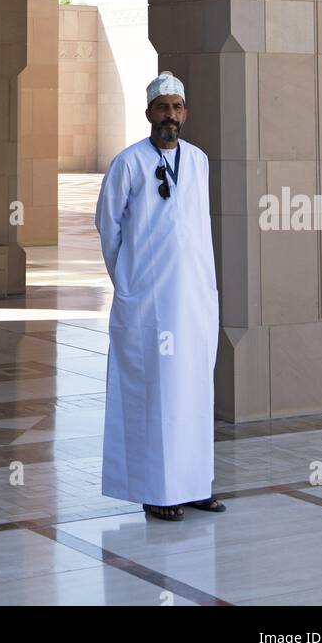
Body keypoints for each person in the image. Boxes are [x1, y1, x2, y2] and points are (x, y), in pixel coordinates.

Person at [95, 71, 224, 521]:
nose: (170, 115)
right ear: (149, 112)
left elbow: (198, 230)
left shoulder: (200, 161)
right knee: (156, 396)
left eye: (177, 107)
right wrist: (129, 281)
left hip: (192, 302)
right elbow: (107, 227)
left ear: (185, 112)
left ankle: (194, 486)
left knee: (192, 394)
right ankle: (156, 490)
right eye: (162, 107)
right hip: (149, 305)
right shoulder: (127, 163)